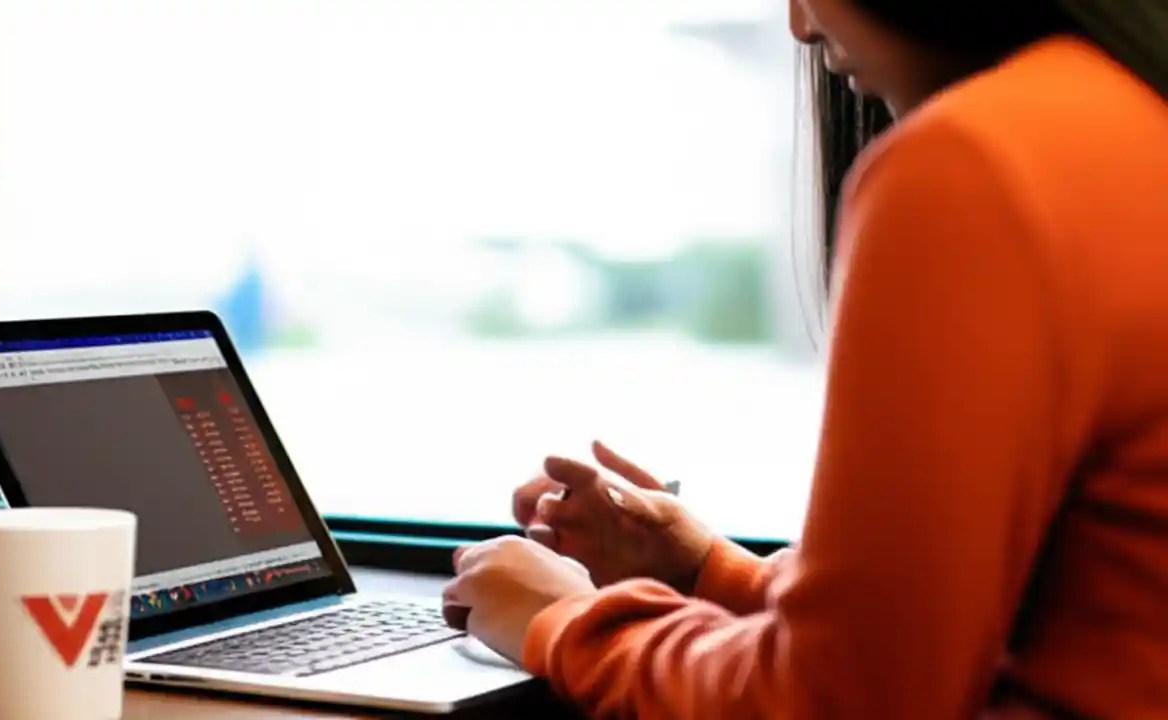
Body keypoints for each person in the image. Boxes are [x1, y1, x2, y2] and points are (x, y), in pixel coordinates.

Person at [442, 1, 1168, 717]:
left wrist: (560, 618)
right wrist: (713, 571)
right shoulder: (1127, 112)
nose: (800, 24)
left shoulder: (977, 161)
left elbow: (840, 702)